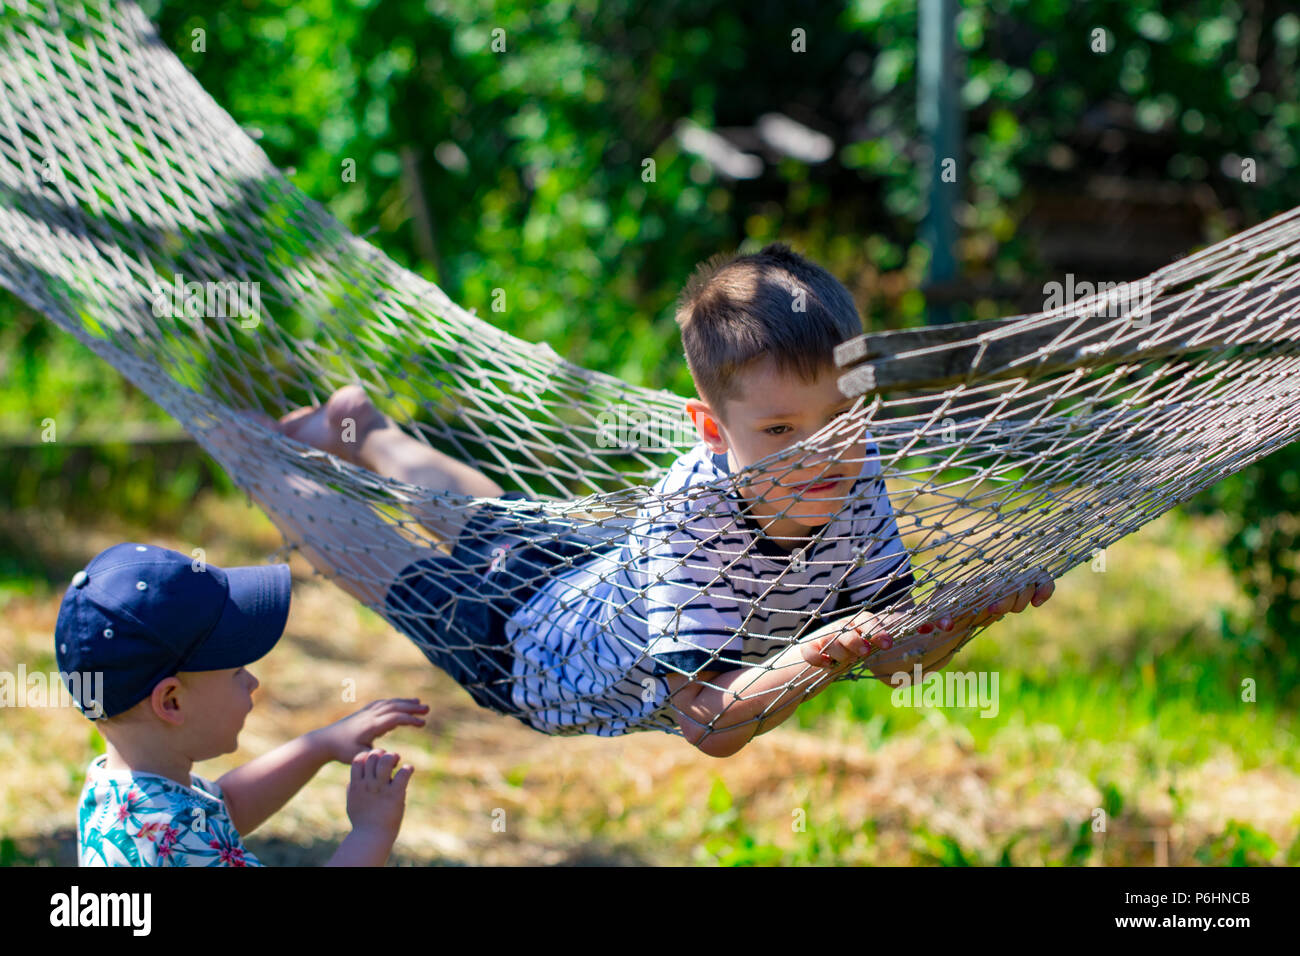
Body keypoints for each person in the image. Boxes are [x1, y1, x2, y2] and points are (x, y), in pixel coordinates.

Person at [268, 243, 1053, 756]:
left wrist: (974, 611)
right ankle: (270, 467)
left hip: (600, 569)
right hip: (527, 652)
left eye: (842, 418)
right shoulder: (696, 514)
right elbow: (709, 720)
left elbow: (898, 664)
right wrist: (814, 656)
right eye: (781, 429)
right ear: (712, 429)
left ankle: (358, 426)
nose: (823, 450)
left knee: (491, 520)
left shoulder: (858, 472)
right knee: (386, 560)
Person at [56, 542, 427, 866]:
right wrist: (371, 832)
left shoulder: (121, 789)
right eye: (236, 671)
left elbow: (225, 807)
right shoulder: (174, 837)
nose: (253, 682)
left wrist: (321, 745)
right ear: (171, 702)